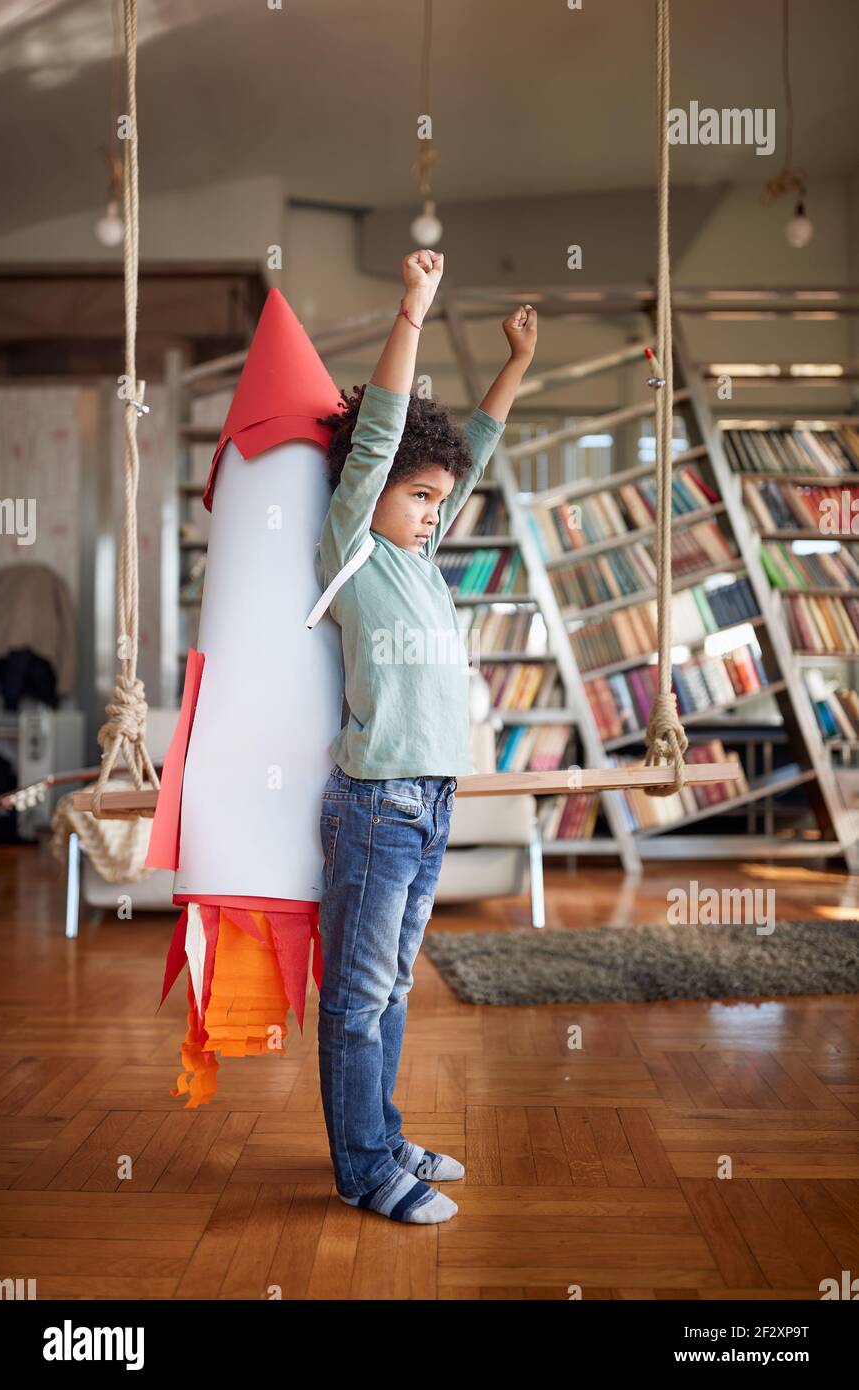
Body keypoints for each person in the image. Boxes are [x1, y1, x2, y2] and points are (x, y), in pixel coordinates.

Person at [314, 249, 537, 1223]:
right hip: (376, 804)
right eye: (417, 497)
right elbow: (378, 446)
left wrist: (516, 365)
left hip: (429, 800)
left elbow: (471, 451)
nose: (430, 514)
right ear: (373, 497)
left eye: (437, 501)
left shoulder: (418, 551)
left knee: (393, 985)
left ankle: (386, 1135)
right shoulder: (355, 546)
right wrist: (412, 311)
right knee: (358, 996)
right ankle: (365, 1171)